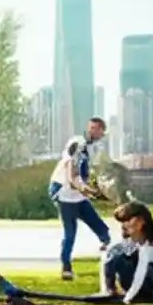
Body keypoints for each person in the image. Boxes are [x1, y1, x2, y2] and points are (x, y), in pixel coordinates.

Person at [47, 117, 112, 281]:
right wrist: (88, 190)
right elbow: (73, 177)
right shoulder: (77, 145)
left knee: (100, 227)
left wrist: (95, 189)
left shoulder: (95, 148)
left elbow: (86, 175)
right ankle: (66, 267)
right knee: (70, 233)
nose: (95, 131)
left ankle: (109, 254)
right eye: (93, 128)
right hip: (64, 193)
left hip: (77, 195)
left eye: (98, 129)